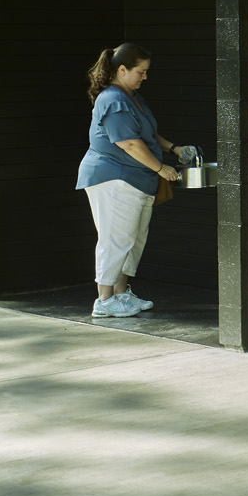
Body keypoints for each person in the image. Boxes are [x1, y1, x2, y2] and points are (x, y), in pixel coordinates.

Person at [78, 43, 190, 316]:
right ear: (122, 69)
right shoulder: (113, 100)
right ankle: (104, 301)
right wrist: (161, 168)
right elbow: (129, 143)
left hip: (135, 180)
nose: (145, 77)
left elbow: (148, 136)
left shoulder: (132, 97)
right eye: (141, 72)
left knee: (132, 239)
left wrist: (174, 148)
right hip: (114, 178)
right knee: (115, 238)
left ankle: (120, 295)